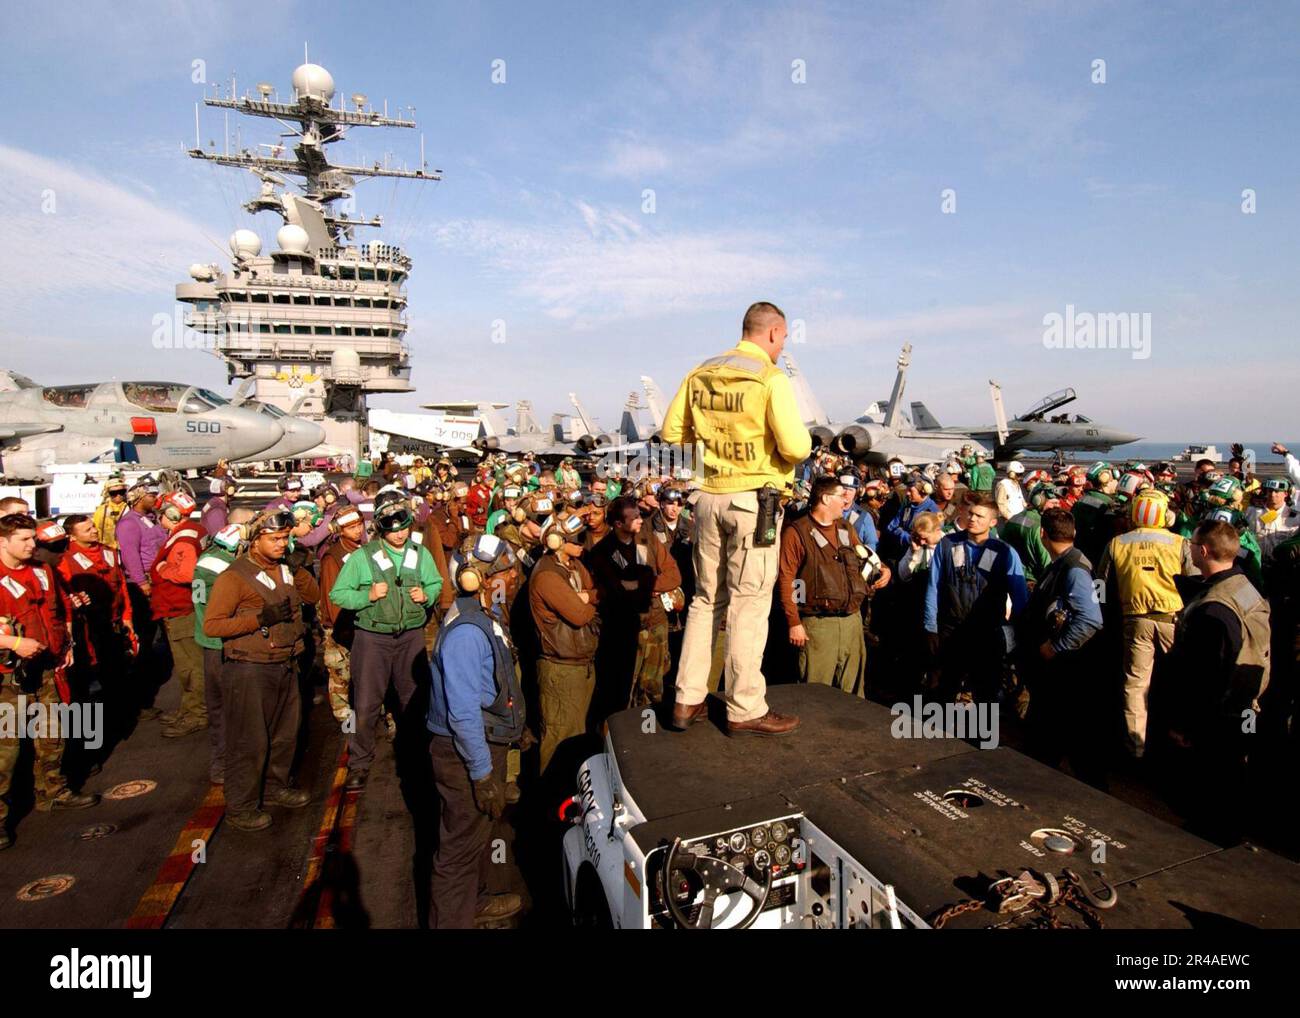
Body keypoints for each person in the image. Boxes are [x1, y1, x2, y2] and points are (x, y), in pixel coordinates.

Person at [661, 301, 812, 735]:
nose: (781, 347)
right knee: (749, 604)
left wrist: (714, 441)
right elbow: (797, 447)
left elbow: (672, 433)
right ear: (773, 331)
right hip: (754, 503)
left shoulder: (700, 371)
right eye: (783, 339)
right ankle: (745, 707)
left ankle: (687, 700)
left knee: (706, 600)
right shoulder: (769, 376)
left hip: (708, 498)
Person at [426, 534, 527, 928]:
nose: (513, 576)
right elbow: (464, 713)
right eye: (505, 571)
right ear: (478, 579)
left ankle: (476, 902)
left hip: (488, 740)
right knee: (458, 850)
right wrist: (483, 774)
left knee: (478, 837)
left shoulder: (487, 614)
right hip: (468, 751)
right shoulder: (468, 633)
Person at [203, 510, 320, 831]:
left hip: (285, 662)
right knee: (249, 740)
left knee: (285, 733)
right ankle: (240, 806)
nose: (283, 544)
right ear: (255, 542)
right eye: (275, 539)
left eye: (285, 538)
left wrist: (300, 570)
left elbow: (313, 597)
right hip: (249, 668)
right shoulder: (234, 577)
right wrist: (258, 619)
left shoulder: (285, 568)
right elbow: (212, 625)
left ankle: (274, 786)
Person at [327, 491, 443, 790]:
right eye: (394, 527)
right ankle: (360, 762)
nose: (401, 533)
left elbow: (435, 582)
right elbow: (338, 594)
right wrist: (366, 596)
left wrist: (427, 594)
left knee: (414, 700)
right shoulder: (362, 558)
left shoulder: (419, 554)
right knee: (365, 703)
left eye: (405, 526)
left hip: (410, 637)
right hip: (372, 638)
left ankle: (416, 757)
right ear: (381, 528)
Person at [0, 513, 99, 849]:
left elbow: (59, 610)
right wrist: (14, 643)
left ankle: (52, 792)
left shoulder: (43, 571)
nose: (33, 545)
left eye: (33, 539)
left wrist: (66, 642)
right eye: (25, 540)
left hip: (47, 664)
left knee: (53, 732)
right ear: (3, 542)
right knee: (7, 750)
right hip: (9, 676)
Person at [1168, 520, 1272, 842]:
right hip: (1249, 705)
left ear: (1202, 550)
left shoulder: (1213, 610)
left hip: (1220, 714)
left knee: (1214, 776)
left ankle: (1211, 838)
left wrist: (1186, 725)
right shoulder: (1244, 584)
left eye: (1191, 544)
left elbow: (1205, 676)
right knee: (1237, 768)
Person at [1095, 489, 1196, 759]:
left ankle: (1135, 745)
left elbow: (1100, 585)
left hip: (1135, 620)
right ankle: (1178, 736)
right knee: (1181, 679)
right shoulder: (1179, 543)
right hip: (1173, 619)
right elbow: (1196, 583)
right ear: (1166, 515)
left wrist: (1104, 614)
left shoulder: (1117, 543)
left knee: (1135, 684)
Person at [1016, 508, 1105, 785]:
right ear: (1073, 533)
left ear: (1042, 534)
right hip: (1054, 674)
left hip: (1065, 673)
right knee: (1046, 739)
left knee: (1073, 741)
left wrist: (1055, 647)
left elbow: (1091, 619)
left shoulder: (1074, 569)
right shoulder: (1063, 564)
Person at [779, 476, 886, 696]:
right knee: (815, 694)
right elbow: (787, 579)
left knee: (854, 692)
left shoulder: (846, 528)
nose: (847, 500)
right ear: (826, 499)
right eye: (842, 495)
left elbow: (865, 555)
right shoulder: (796, 532)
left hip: (852, 622)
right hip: (818, 626)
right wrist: (794, 622)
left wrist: (884, 568)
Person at [923, 492, 1029, 702]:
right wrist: (930, 626)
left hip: (986, 632)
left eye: (980, 516)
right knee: (942, 687)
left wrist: (1018, 633)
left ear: (992, 522)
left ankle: (982, 734)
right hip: (951, 629)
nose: (972, 519)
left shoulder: (1005, 552)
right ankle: (937, 732)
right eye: (970, 513)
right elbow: (933, 586)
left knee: (986, 691)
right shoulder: (948, 544)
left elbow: (1019, 597)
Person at [587, 496, 682, 711]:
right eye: (635, 517)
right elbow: (615, 591)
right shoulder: (602, 552)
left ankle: (648, 734)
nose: (641, 520)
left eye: (640, 515)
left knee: (653, 687)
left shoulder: (648, 539)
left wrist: (645, 585)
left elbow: (674, 575)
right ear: (619, 524)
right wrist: (644, 588)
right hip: (624, 629)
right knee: (622, 689)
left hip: (655, 623)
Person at [528, 514, 600, 774]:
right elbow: (579, 616)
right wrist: (593, 600)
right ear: (556, 541)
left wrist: (588, 597)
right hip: (561, 670)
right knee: (559, 738)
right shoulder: (547, 575)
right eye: (576, 540)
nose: (582, 544)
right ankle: (548, 797)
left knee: (576, 735)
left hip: (580, 665)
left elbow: (594, 592)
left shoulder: (573, 566)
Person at [191, 510, 254, 786]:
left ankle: (225, 762)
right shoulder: (221, 567)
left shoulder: (207, 560)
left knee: (223, 708)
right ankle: (225, 763)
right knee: (227, 708)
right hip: (222, 644)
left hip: (213, 642)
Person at [146, 491, 208, 738]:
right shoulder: (194, 531)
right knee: (189, 665)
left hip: (180, 609)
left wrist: (162, 568)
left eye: (160, 515)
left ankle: (197, 714)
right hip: (182, 607)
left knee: (190, 667)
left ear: (170, 514)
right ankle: (189, 707)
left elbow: (186, 574)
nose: (158, 519)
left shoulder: (183, 540)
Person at [1247, 478, 1299, 560]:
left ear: (1286, 494)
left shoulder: (1295, 518)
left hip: (1280, 566)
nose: (1272, 494)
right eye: (1270, 491)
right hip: (1254, 563)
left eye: (1277, 491)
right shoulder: (1251, 511)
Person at [91, 477, 129, 549]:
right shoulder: (101, 510)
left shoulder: (130, 507)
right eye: (114, 493)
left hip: (127, 548)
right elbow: (97, 530)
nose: (118, 495)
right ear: (108, 493)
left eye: (121, 492)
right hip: (107, 549)